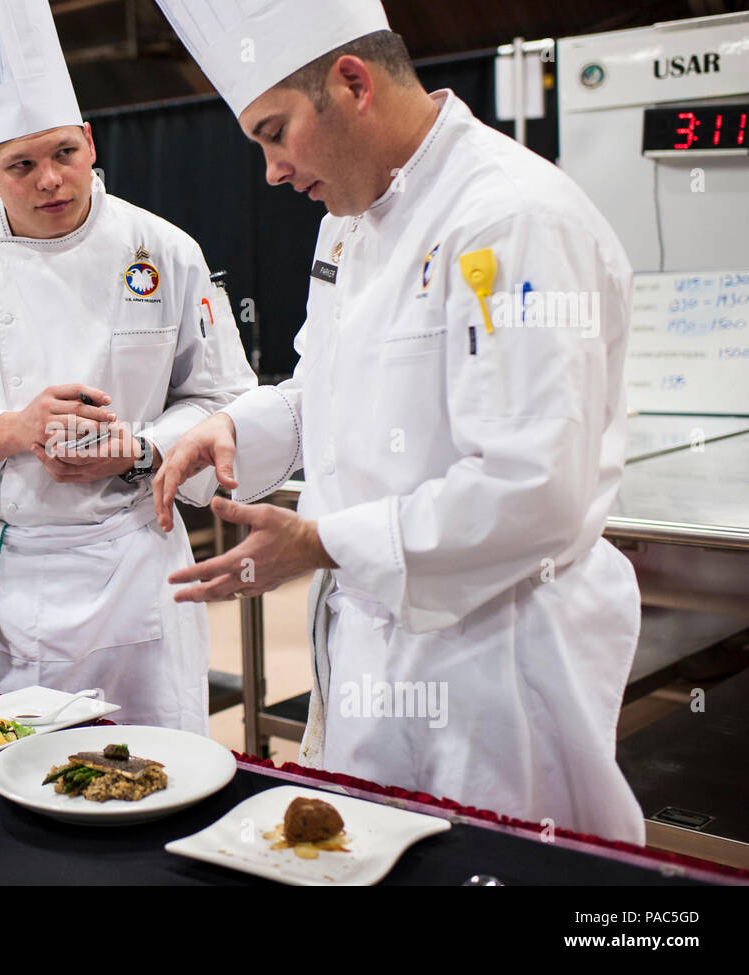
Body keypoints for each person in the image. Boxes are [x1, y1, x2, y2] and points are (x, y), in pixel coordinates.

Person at [152, 0, 646, 842]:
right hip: (373, 652)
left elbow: (534, 487)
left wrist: (320, 544)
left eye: (275, 133)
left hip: (495, 665)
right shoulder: (349, 226)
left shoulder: (508, 218)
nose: (271, 170)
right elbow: (327, 386)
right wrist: (241, 427)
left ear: (352, 84)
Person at [0, 0, 256, 733]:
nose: (49, 179)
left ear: (89, 139)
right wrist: (13, 429)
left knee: (153, 767)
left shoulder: (165, 251)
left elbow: (225, 398)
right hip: (0, 573)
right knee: (6, 783)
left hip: (134, 561)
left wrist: (141, 448)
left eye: (64, 154)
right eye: (21, 165)